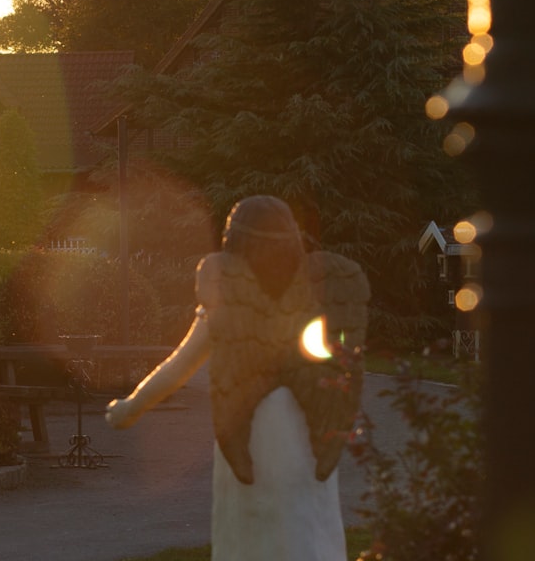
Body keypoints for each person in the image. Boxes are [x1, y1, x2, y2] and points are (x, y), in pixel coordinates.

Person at [106, 195, 369, 561]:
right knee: (308, 526)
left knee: (249, 535)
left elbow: (181, 364)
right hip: (309, 432)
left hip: (250, 428)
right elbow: (342, 365)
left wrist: (131, 406)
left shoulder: (228, 293)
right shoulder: (318, 296)